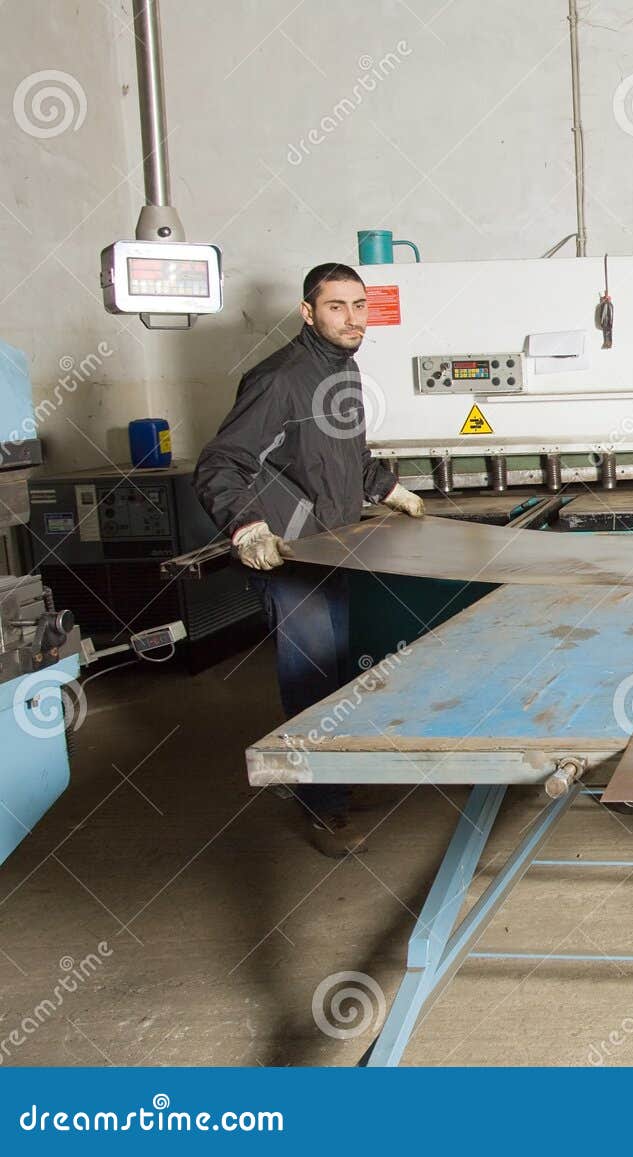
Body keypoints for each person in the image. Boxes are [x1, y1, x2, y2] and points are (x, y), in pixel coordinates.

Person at [195, 263, 425, 856]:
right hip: (292, 558)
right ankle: (323, 808)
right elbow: (221, 463)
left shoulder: (344, 371)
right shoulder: (278, 379)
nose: (352, 319)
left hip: (336, 549)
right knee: (313, 680)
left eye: (359, 305)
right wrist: (247, 527)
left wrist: (387, 488)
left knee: (341, 673)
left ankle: (337, 781)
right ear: (307, 312)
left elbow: (347, 456)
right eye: (336, 306)